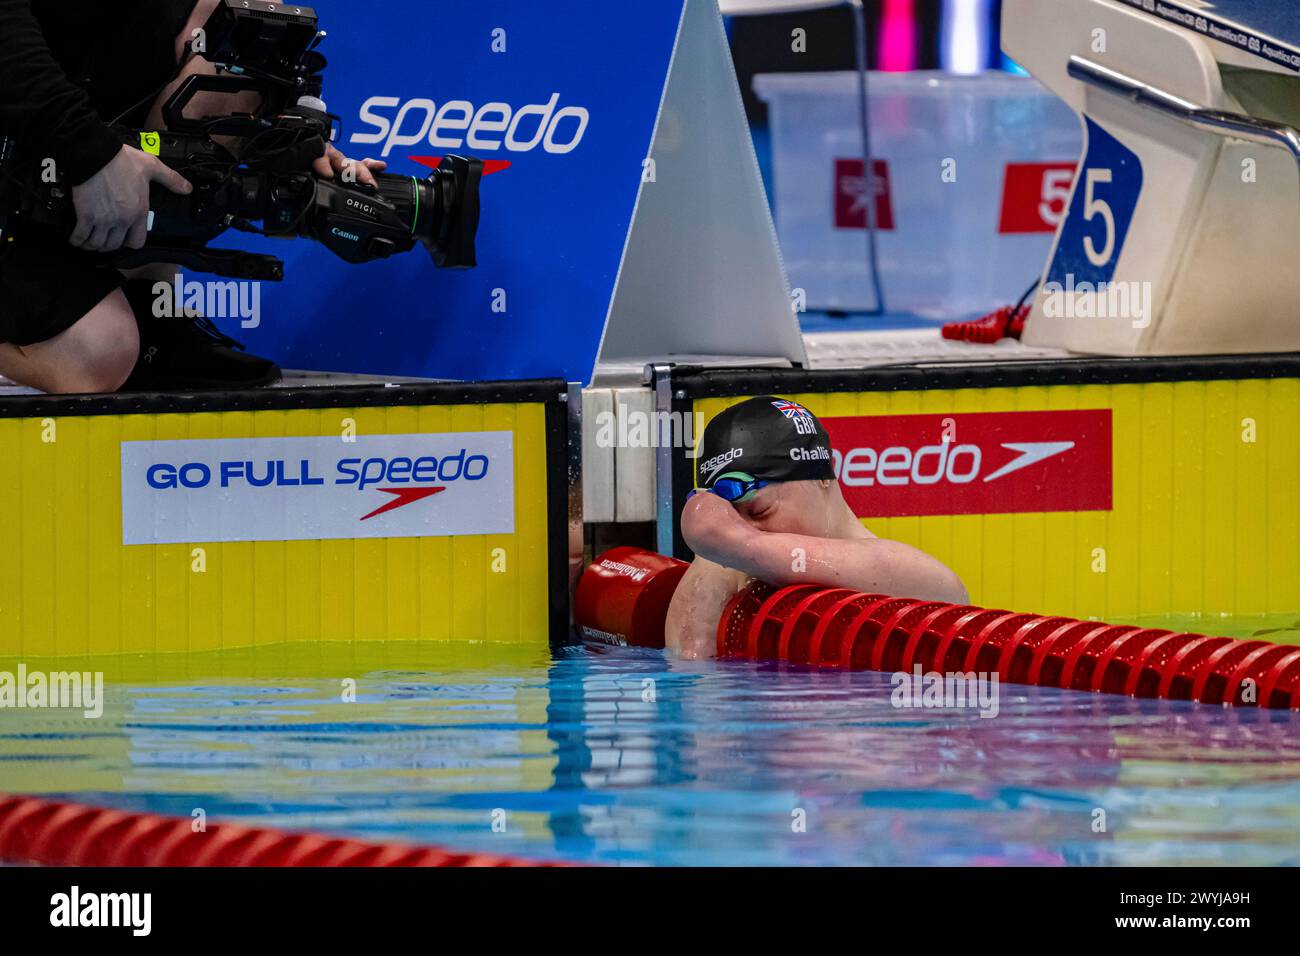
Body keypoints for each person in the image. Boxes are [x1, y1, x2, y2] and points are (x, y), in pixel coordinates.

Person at [0, 0, 385, 393]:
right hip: (27, 152)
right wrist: (90, 151)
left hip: (69, 165)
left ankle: (150, 303)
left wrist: (296, 135)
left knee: (244, 20)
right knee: (96, 355)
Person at [665, 396, 969, 658]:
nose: (747, 529)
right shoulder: (732, 568)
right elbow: (690, 663)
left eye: (759, 510)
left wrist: (733, 541)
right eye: (732, 518)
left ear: (821, 476)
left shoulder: (918, 582)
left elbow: (950, 593)